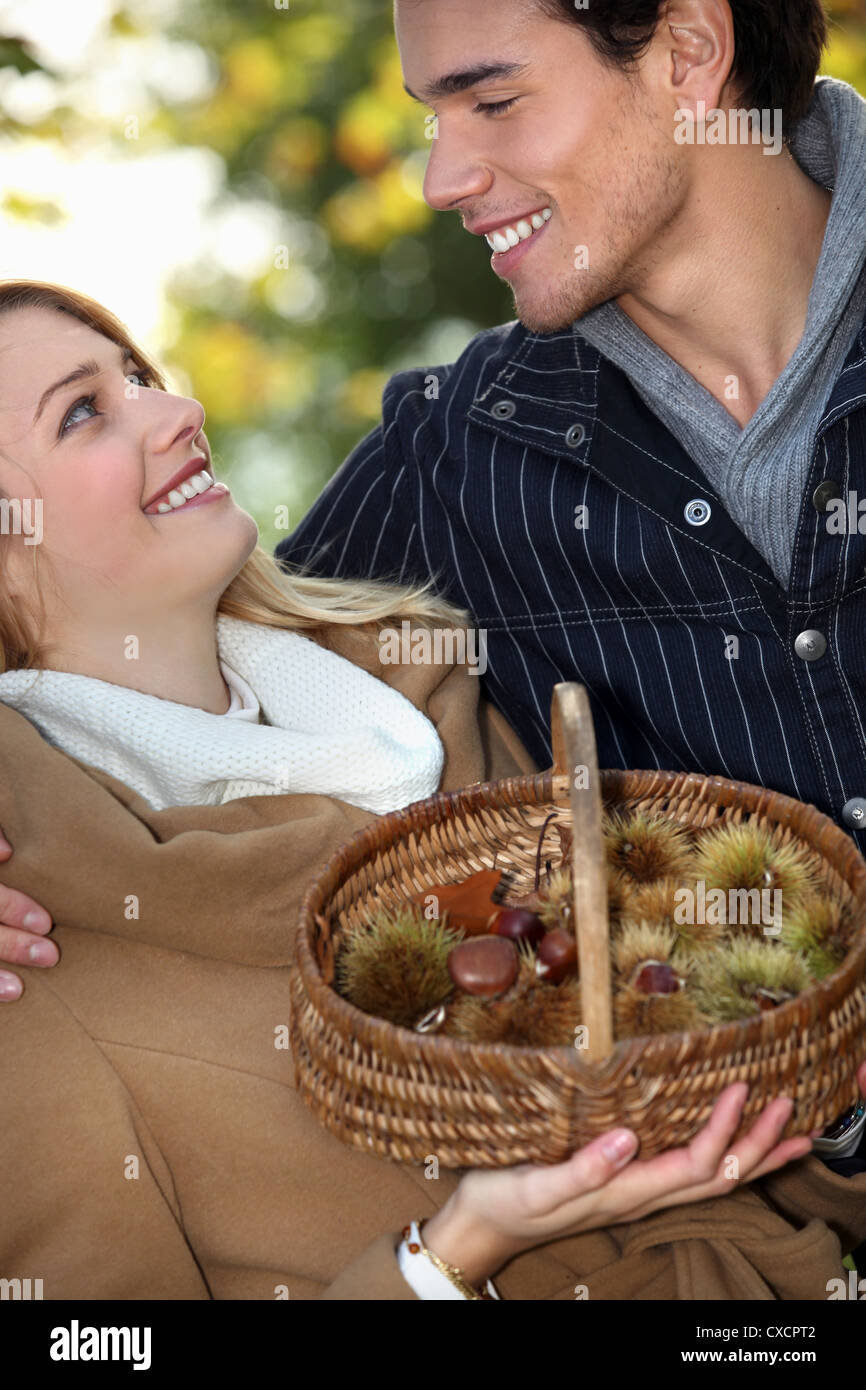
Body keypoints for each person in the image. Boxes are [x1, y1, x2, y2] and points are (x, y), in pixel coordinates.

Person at [5, 280, 858, 1302]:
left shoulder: (421, 708)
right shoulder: (32, 958)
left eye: (139, 374)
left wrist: (824, 1101)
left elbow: (696, 1124)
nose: (178, 410)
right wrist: (454, 1252)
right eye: (83, 412)